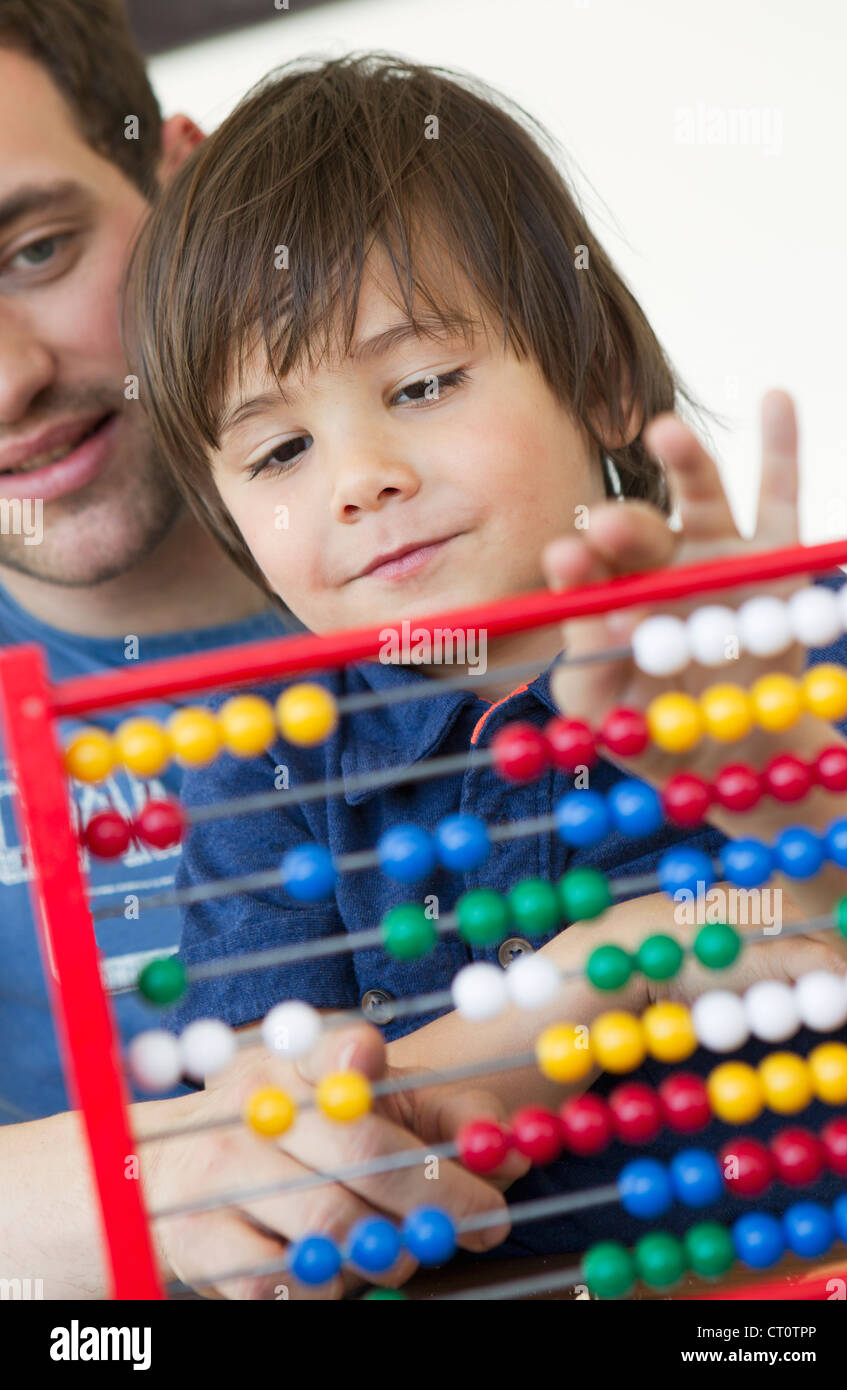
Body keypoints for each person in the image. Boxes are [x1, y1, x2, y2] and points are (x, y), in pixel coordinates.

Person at [128, 52, 847, 1269]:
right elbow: (273, 1159)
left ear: (600, 380)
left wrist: (793, 776)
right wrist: (584, 987)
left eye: (422, 383)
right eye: (278, 454)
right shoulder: (263, 775)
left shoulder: (768, 645)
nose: (361, 479)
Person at [0, 6, 513, 1301]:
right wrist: (161, 1176)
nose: (7, 379)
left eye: (36, 250)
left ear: (178, 173)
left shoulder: (529, 565)